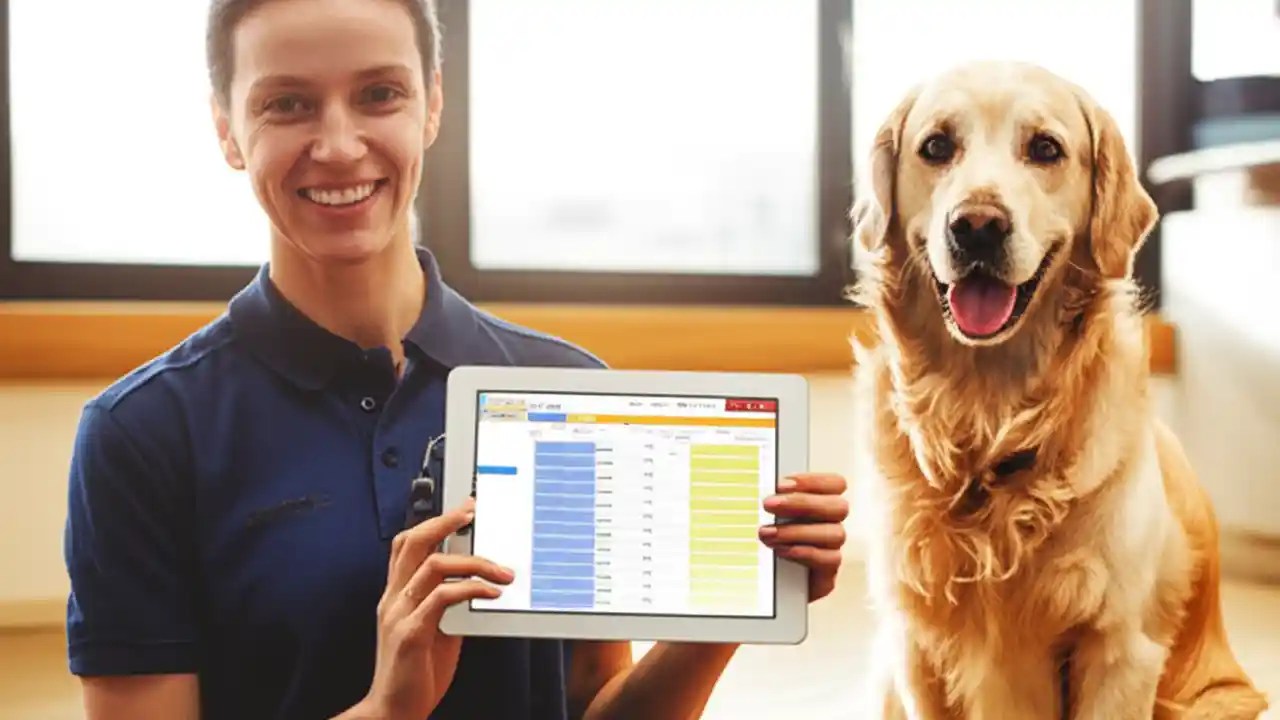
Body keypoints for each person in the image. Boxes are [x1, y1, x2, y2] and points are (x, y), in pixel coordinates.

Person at [61, 0, 851, 718]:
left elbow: (594, 706)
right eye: (287, 104)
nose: (338, 145)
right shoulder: (141, 436)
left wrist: (732, 606)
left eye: (380, 94)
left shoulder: (567, 389)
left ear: (433, 104)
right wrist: (386, 711)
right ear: (227, 129)